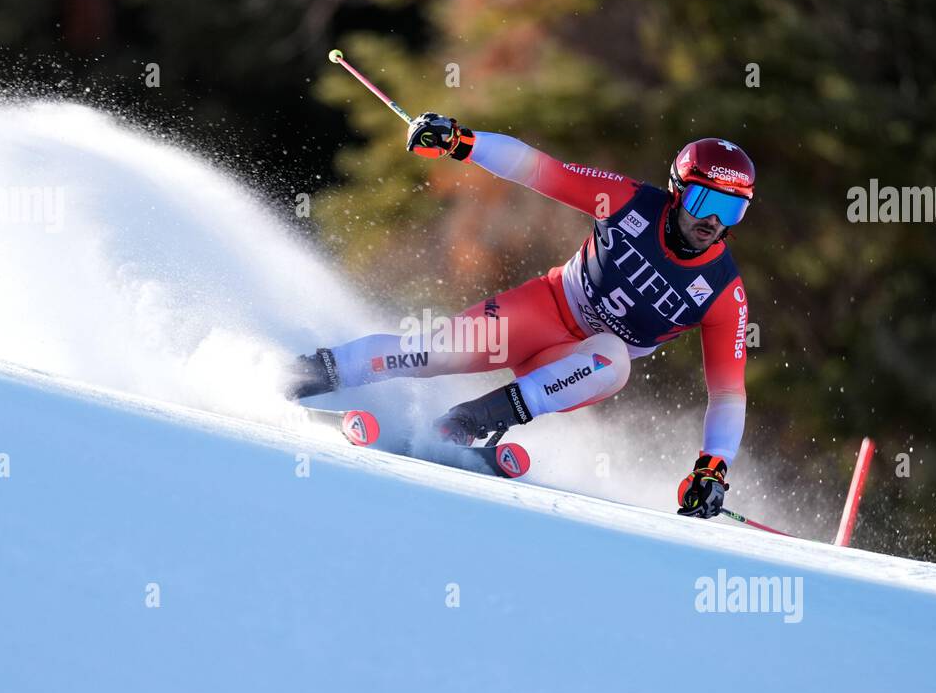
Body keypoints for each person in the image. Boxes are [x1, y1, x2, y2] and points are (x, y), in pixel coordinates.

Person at [287, 113, 753, 518]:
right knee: (430, 352)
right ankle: (312, 372)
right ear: (676, 192)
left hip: (575, 366)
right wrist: (460, 142)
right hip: (543, 309)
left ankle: (462, 424)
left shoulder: (722, 294)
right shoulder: (630, 200)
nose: (712, 221)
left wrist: (712, 469)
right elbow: (537, 169)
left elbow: (728, 393)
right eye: (702, 201)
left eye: (731, 208)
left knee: (613, 358)